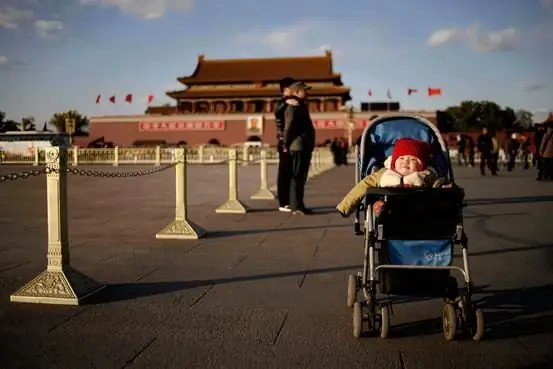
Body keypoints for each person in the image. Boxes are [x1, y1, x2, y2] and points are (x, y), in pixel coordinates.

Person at [336, 138, 448, 217]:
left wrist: (445, 187)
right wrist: (345, 206)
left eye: (413, 159)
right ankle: (380, 208)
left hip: (418, 208)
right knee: (379, 203)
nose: (406, 162)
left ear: (421, 165)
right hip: (390, 207)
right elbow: (363, 186)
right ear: (394, 162)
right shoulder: (383, 173)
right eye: (401, 158)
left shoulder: (426, 174)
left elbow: (438, 183)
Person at [283, 81, 315, 214]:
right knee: (297, 176)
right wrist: (286, 144)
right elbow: (288, 127)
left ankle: (299, 204)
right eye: (304, 90)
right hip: (298, 146)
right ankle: (295, 206)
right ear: (296, 92)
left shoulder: (301, 106)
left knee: (301, 177)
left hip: (304, 145)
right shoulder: (293, 107)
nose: (306, 92)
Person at [275, 77, 298, 212]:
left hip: (289, 143)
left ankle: (289, 200)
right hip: (284, 143)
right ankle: (283, 202)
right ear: (285, 89)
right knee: (284, 173)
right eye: (292, 88)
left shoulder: (290, 102)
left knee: (290, 173)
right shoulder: (282, 103)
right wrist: (285, 143)